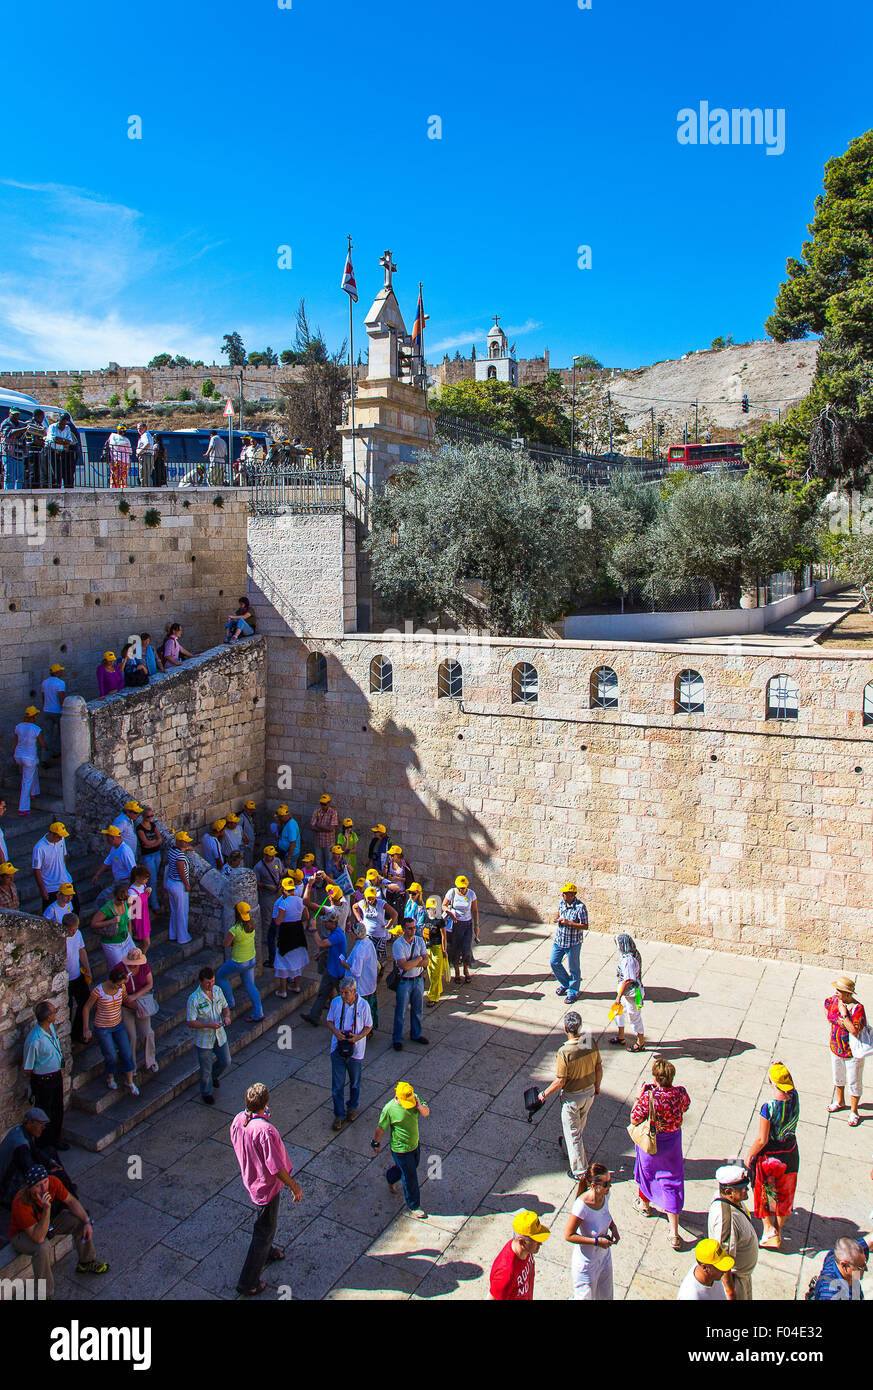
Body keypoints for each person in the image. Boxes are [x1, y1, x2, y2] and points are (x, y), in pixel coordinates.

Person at [230, 1082, 303, 1297]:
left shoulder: (239, 1120)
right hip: (265, 1186)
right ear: (265, 1103)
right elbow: (275, 1167)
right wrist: (294, 1186)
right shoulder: (264, 1130)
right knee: (265, 1229)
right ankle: (248, 1282)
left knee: (264, 1222)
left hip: (251, 1180)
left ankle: (267, 1251)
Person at [9, 1164, 108, 1298]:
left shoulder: (53, 1182)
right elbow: (38, 1237)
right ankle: (45, 1294)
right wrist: (47, 1209)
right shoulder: (21, 1203)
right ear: (30, 1188)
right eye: (38, 1186)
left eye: (45, 1182)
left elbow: (71, 1201)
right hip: (23, 1235)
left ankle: (86, 1262)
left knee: (78, 1221)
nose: (44, 1188)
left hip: (47, 1222)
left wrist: (86, 1221)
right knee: (42, 1247)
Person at [630, 1055, 691, 1249]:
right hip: (672, 1142)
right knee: (671, 1180)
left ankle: (645, 1205)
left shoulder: (650, 1097)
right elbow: (686, 1106)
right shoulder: (680, 1093)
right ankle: (674, 1233)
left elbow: (634, 1118)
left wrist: (640, 1096)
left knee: (647, 1173)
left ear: (655, 1078)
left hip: (653, 1142)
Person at [537, 1011, 602, 1181]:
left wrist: (544, 1094)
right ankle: (568, 1148)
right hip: (589, 1093)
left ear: (566, 1029)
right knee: (579, 1126)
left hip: (573, 1097)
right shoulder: (590, 1042)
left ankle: (580, 1172)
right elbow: (598, 1067)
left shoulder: (564, 1052)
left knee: (573, 1132)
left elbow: (561, 1081)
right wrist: (597, 1086)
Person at [745, 1062, 800, 1249]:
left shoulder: (768, 1108)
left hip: (771, 1155)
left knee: (765, 1191)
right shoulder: (795, 1097)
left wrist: (749, 1155)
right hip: (790, 1151)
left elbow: (762, 1139)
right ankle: (779, 1230)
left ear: (771, 1082)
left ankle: (769, 1230)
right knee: (785, 1192)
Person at [372, 1081, 430, 1219]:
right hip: (400, 1149)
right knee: (410, 1177)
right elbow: (381, 1128)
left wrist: (419, 1106)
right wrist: (376, 1143)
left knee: (410, 1168)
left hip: (414, 1145)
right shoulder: (389, 1109)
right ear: (397, 1097)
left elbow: (426, 1113)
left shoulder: (414, 1097)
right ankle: (414, 1206)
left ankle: (391, 1176)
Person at [564, 1161, 620, 1300]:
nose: (609, 1186)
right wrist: (596, 1242)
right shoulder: (581, 1206)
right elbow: (569, 1235)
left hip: (604, 1259)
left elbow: (605, 1213)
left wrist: (613, 1227)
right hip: (586, 1265)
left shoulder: (606, 1195)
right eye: (606, 1184)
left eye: (610, 1181)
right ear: (594, 1186)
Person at [81, 966, 139, 1095]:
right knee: (111, 1055)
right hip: (103, 1027)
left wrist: (138, 1007)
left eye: (122, 985)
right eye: (118, 985)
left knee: (126, 1052)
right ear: (112, 981)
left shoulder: (122, 988)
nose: (120, 987)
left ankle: (129, 1081)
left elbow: (125, 1000)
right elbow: (86, 1008)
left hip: (118, 1024)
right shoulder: (98, 990)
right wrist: (86, 1028)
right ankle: (110, 1077)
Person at [0, 1110, 71, 1211]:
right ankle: (67, 1203)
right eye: (41, 1124)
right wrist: (50, 1172)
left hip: (19, 1169)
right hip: (8, 1186)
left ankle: (68, 1190)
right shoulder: (21, 1146)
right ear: (30, 1123)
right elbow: (31, 1171)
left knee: (50, 1152)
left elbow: (35, 1151)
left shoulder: (22, 1130)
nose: (43, 1128)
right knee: (57, 1176)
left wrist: (51, 1162)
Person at [327, 976, 373, 1130]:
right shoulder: (336, 1003)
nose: (343, 996)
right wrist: (336, 1032)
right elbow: (329, 1021)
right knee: (337, 1086)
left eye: (346, 993)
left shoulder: (363, 1006)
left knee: (354, 1083)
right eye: (341, 992)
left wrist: (358, 1037)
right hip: (337, 1049)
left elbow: (369, 1026)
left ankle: (352, 1108)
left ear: (354, 992)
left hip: (356, 1052)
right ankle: (339, 1115)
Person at [707, 1164, 758, 1301]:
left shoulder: (729, 1198)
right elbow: (724, 1259)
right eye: (742, 1188)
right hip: (735, 1281)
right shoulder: (727, 1220)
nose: (747, 1189)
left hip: (742, 1276)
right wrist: (730, 1292)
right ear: (729, 1191)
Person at [22, 1002, 67, 1149]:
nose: (55, 1014)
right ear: (48, 1017)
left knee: (57, 1109)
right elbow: (28, 1068)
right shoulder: (34, 1039)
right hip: (43, 1081)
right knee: (44, 1113)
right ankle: (43, 1145)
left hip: (55, 1076)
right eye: (54, 1012)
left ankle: (55, 1140)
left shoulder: (50, 1028)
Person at [302, 892, 349, 1026]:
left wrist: (313, 930)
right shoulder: (334, 933)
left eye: (326, 922)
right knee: (323, 993)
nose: (324, 924)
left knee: (344, 998)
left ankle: (347, 1020)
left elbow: (321, 943)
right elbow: (330, 948)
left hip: (338, 972)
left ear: (332, 922)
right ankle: (314, 1016)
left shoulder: (338, 935)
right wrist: (321, 954)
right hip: (331, 968)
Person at [186, 966, 231, 1105]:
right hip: (204, 1039)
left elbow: (225, 1007)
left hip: (219, 1035)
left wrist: (227, 1016)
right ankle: (206, 1092)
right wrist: (208, 1025)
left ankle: (214, 1076)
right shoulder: (194, 999)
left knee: (226, 1060)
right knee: (205, 1068)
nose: (210, 984)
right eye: (207, 982)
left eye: (212, 981)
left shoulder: (217, 991)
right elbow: (190, 1022)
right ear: (200, 982)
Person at [826, 976, 867, 1126]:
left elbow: (854, 1030)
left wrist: (843, 1015)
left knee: (854, 1081)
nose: (836, 993)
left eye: (839, 991)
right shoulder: (835, 1000)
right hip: (836, 1047)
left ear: (848, 994)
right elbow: (827, 1011)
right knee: (838, 1076)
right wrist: (839, 1021)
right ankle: (840, 1101)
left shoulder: (858, 1009)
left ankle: (854, 1111)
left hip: (852, 1053)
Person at [216, 902, 264, 1022]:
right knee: (250, 986)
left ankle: (230, 1003)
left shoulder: (235, 929)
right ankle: (259, 1012)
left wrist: (232, 942)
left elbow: (225, 944)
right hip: (251, 959)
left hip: (239, 960)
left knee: (221, 976)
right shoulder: (252, 925)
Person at [488, 1211, 551, 1300]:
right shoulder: (506, 1273)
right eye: (536, 1240)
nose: (540, 1243)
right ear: (522, 1241)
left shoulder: (527, 1251)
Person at [391, 914, 429, 1052]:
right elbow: (404, 966)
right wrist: (418, 959)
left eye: (413, 928)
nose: (412, 931)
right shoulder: (398, 944)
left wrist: (413, 961)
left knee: (418, 1009)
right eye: (409, 928)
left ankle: (416, 1034)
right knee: (400, 1011)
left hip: (418, 979)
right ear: (403, 929)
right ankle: (397, 1039)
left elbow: (427, 961)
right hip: (404, 982)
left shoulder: (419, 941)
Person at [120, 947, 158, 1074]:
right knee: (131, 1036)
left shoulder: (144, 967)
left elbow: (149, 984)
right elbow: (118, 992)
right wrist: (132, 1002)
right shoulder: (119, 969)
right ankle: (132, 1067)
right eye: (131, 965)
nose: (133, 967)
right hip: (126, 1007)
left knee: (147, 1033)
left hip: (141, 1002)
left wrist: (135, 997)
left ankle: (151, 1060)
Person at [550, 881, 588, 1003]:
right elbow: (559, 912)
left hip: (573, 943)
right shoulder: (562, 903)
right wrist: (556, 918)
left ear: (572, 895)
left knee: (574, 969)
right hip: (559, 940)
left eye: (565, 894)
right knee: (554, 962)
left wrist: (569, 923)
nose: (563, 896)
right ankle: (566, 983)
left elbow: (585, 926)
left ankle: (573, 992)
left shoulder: (580, 908)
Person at [339, 919, 379, 1028]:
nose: (350, 932)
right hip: (369, 984)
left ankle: (364, 1031)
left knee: (362, 1013)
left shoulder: (360, 949)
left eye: (351, 931)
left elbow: (356, 971)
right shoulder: (368, 942)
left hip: (362, 987)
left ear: (356, 934)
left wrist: (344, 964)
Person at [272, 884, 309, 997]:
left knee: (282, 960)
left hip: (286, 932)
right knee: (297, 957)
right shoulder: (300, 900)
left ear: (284, 890)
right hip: (298, 930)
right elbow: (306, 916)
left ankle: (283, 990)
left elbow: (278, 921)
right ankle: (296, 985)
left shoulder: (284, 902)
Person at [352, 884, 397, 977]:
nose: (370, 901)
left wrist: (388, 925)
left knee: (381, 959)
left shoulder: (381, 903)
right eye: (368, 898)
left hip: (380, 935)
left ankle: (380, 975)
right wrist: (360, 920)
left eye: (372, 898)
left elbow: (394, 914)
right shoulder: (362, 903)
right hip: (367, 935)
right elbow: (354, 907)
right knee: (367, 955)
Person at [611, 933, 645, 1051]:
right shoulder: (634, 953)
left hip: (631, 994)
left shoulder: (628, 960)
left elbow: (628, 980)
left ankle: (640, 1043)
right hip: (627, 993)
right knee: (619, 1012)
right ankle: (621, 1037)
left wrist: (618, 996)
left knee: (634, 1018)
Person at [442, 874, 479, 983]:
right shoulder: (451, 892)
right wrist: (449, 912)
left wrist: (476, 926)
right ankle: (457, 972)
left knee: (466, 948)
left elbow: (475, 910)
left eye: (464, 888)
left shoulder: (471, 894)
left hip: (467, 924)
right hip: (455, 924)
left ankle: (466, 970)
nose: (462, 890)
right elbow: (444, 905)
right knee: (455, 949)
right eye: (460, 888)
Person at [90, 882, 136, 969]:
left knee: (134, 963)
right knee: (119, 969)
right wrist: (111, 921)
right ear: (114, 896)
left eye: (124, 899)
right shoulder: (107, 908)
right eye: (119, 899)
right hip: (112, 944)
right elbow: (93, 924)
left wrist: (130, 936)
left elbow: (128, 920)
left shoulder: (126, 903)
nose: (122, 901)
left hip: (126, 939)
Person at [808, 1235, 869, 1300]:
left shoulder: (839, 1255)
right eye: (860, 1267)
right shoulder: (830, 1294)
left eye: (865, 1263)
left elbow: (870, 1240)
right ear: (844, 1266)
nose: (866, 1269)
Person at [63, 912, 90, 1045]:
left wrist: (88, 969)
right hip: (65, 980)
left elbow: (82, 950)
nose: (74, 932)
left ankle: (77, 1032)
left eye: (75, 928)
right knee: (66, 1008)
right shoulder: (60, 939)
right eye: (71, 929)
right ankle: (66, 1037)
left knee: (85, 1001)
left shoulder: (78, 934)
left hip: (77, 975)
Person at [12, 706, 46, 813]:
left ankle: (35, 792)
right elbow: (42, 743)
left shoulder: (18, 727)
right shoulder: (36, 729)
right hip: (28, 758)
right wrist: (48, 748)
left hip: (18, 756)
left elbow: (15, 742)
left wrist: (13, 754)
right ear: (33, 717)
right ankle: (23, 808)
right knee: (26, 781)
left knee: (34, 768)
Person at [32, 822, 72, 909]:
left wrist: (64, 871)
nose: (61, 838)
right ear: (52, 834)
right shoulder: (39, 848)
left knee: (73, 909)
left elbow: (63, 855)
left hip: (65, 881)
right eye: (59, 836)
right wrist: (42, 889)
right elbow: (36, 869)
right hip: (51, 887)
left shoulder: (61, 840)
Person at [165, 830, 193, 944]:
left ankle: (173, 934)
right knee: (182, 911)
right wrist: (187, 884)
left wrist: (185, 849)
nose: (186, 844)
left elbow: (178, 851)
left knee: (174, 910)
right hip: (179, 885)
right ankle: (183, 937)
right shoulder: (180, 856)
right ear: (180, 841)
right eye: (185, 842)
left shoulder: (172, 850)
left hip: (171, 883)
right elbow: (181, 870)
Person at [255, 846, 282, 961]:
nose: (272, 857)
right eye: (270, 856)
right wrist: (267, 886)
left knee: (279, 914)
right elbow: (256, 882)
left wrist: (280, 884)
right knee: (267, 917)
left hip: (278, 893)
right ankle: (268, 937)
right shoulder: (259, 867)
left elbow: (280, 874)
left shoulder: (277, 861)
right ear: (265, 855)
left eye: (273, 855)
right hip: (267, 895)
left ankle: (277, 934)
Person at [92, 824, 136, 894]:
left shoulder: (125, 851)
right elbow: (107, 861)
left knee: (104, 898)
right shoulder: (114, 848)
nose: (106, 839)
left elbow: (133, 869)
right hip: (118, 882)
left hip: (124, 882)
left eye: (107, 836)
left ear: (113, 837)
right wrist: (97, 874)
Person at [136, 806, 163, 913]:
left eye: (152, 816)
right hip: (147, 856)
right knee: (152, 880)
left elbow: (160, 839)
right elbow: (145, 842)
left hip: (156, 854)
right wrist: (154, 843)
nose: (150, 818)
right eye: (148, 816)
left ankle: (151, 902)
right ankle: (154, 905)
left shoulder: (153, 825)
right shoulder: (139, 828)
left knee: (154, 879)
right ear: (143, 816)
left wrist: (152, 844)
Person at [423, 896, 449, 1007]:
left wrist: (444, 950)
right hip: (428, 946)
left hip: (437, 947)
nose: (431, 910)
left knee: (436, 973)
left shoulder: (439, 920)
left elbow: (444, 936)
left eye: (432, 908)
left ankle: (432, 996)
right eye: (429, 908)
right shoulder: (425, 917)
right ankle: (438, 989)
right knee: (430, 971)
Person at [40, 664, 66, 761]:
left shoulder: (44, 683)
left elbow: (43, 697)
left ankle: (45, 758)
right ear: (56, 673)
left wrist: (46, 707)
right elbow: (61, 697)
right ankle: (56, 752)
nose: (61, 673)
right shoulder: (60, 683)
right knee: (61, 732)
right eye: (60, 671)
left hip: (46, 710)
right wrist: (64, 709)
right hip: (57, 711)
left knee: (47, 735)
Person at [310, 794, 339, 872]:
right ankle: (320, 882)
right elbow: (312, 826)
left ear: (329, 803)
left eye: (324, 804)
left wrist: (319, 825)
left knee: (329, 863)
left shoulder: (333, 813)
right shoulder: (317, 811)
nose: (323, 806)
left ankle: (328, 882)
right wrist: (325, 828)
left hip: (328, 843)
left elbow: (331, 828)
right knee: (319, 863)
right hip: (318, 842)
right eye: (321, 804)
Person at [383, 844, 413, 916]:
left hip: (400, 893)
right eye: (390, 855)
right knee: (388, 913)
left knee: (400, 913)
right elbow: (384, 875)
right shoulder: (389, 863)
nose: (391, 856)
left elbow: (409, 879)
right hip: (390, 891)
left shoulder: (404, 865)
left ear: (398, 855)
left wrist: (397, 879)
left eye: (392, 855)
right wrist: (386, 867)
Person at [135, 421, 155, 486]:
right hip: (146, 455)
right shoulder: (146, 435)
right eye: (138, 428)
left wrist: (140, 452)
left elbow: (148, 444)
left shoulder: (145, 435)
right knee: (146, 474)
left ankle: (145, 489)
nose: (139, 430)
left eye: (141, 428)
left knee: (144, 474)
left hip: (145, 456)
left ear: (145, 428)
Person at [240, 800, 257, 867]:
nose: (251, 811)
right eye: (249, 809)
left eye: (252, 810)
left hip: (251, 844)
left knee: (250, 861)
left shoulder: (250, 817)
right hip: (246, 845)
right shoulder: (241, 818)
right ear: (245, 808)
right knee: (246, 862)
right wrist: (244, 840)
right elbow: (239, 831)